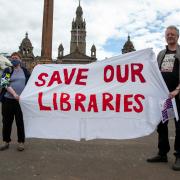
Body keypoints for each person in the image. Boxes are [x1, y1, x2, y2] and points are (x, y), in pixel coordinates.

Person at [147, 25, 180, 171]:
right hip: (163, 97)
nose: (170, 36)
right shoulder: (161, 54)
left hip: (178, 96)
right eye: (168, 34)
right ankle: (162, 153)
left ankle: (179, 156)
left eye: (173, 34)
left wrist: (177, 90)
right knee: (162, 125)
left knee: (179, 127)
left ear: (177, 36)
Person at [0, 52, 30, 151]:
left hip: (21, 102)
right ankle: (5, 141)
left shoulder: (25, 71)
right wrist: (14, 94)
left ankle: (21, 142)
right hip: (8, 100)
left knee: (20, 122)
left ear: (20, 60)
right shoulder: (8, 70)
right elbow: (4, 83)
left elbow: (31, 83)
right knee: (6, 122)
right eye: (12, 58)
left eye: (16, 58)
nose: (14, 59)